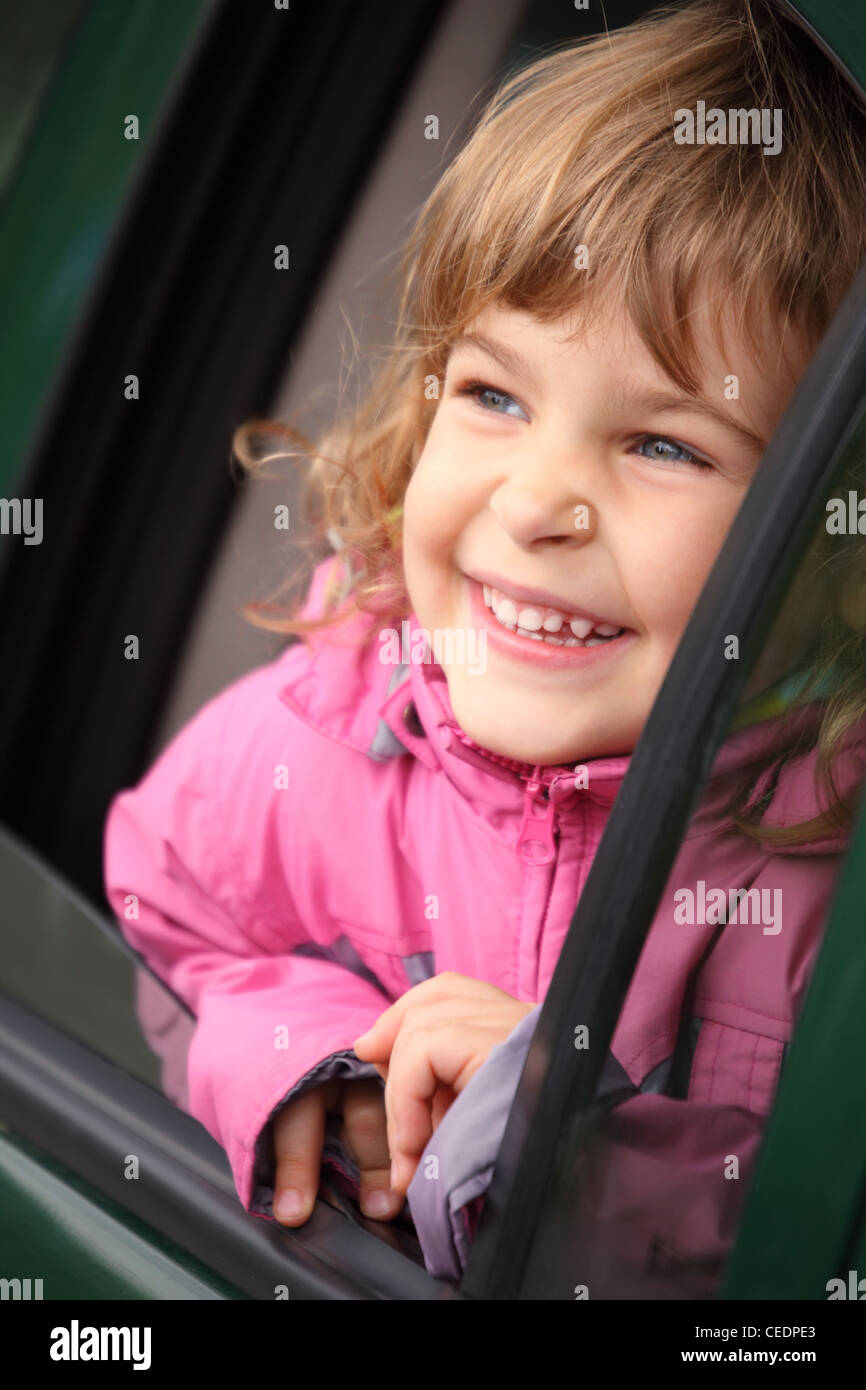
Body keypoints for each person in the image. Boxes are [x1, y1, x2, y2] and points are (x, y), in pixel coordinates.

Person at [103, 0, 866, 1290]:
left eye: (665, 444)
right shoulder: (319, 734)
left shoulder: (830, 870)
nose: (533, 504)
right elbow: (170, 926)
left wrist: (574, 1159)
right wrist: (316, 1063)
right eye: (495, 395)